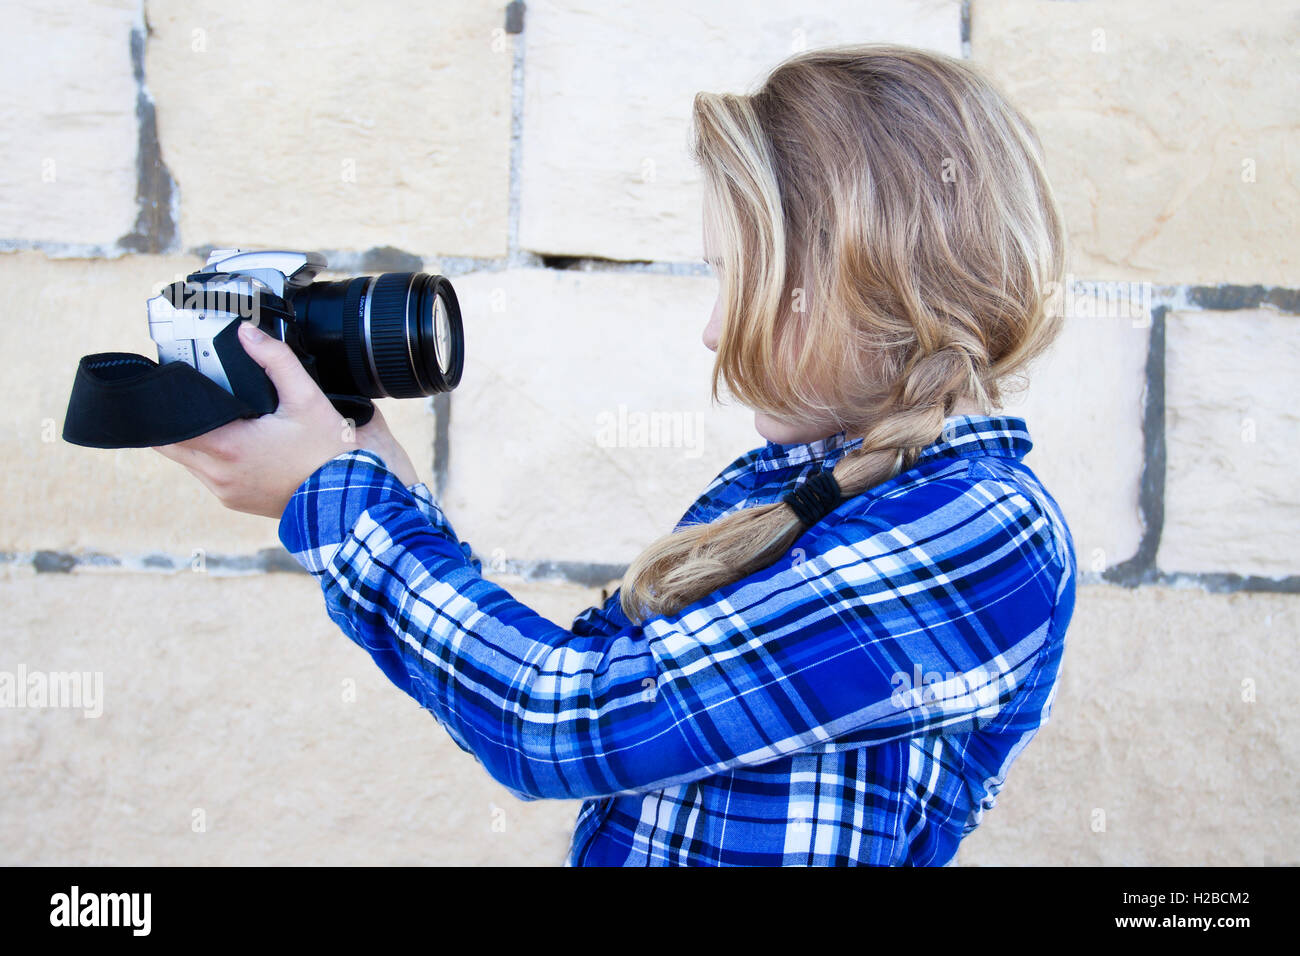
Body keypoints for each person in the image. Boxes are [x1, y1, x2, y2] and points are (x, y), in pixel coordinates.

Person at [154, 43, 1076, 866]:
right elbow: (593, 675)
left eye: (734, 278)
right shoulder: (808, 485)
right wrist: (377, 478)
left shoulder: (986, 528)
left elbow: (564, 723)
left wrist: (335, 506)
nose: (715, 332)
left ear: (853, 280)